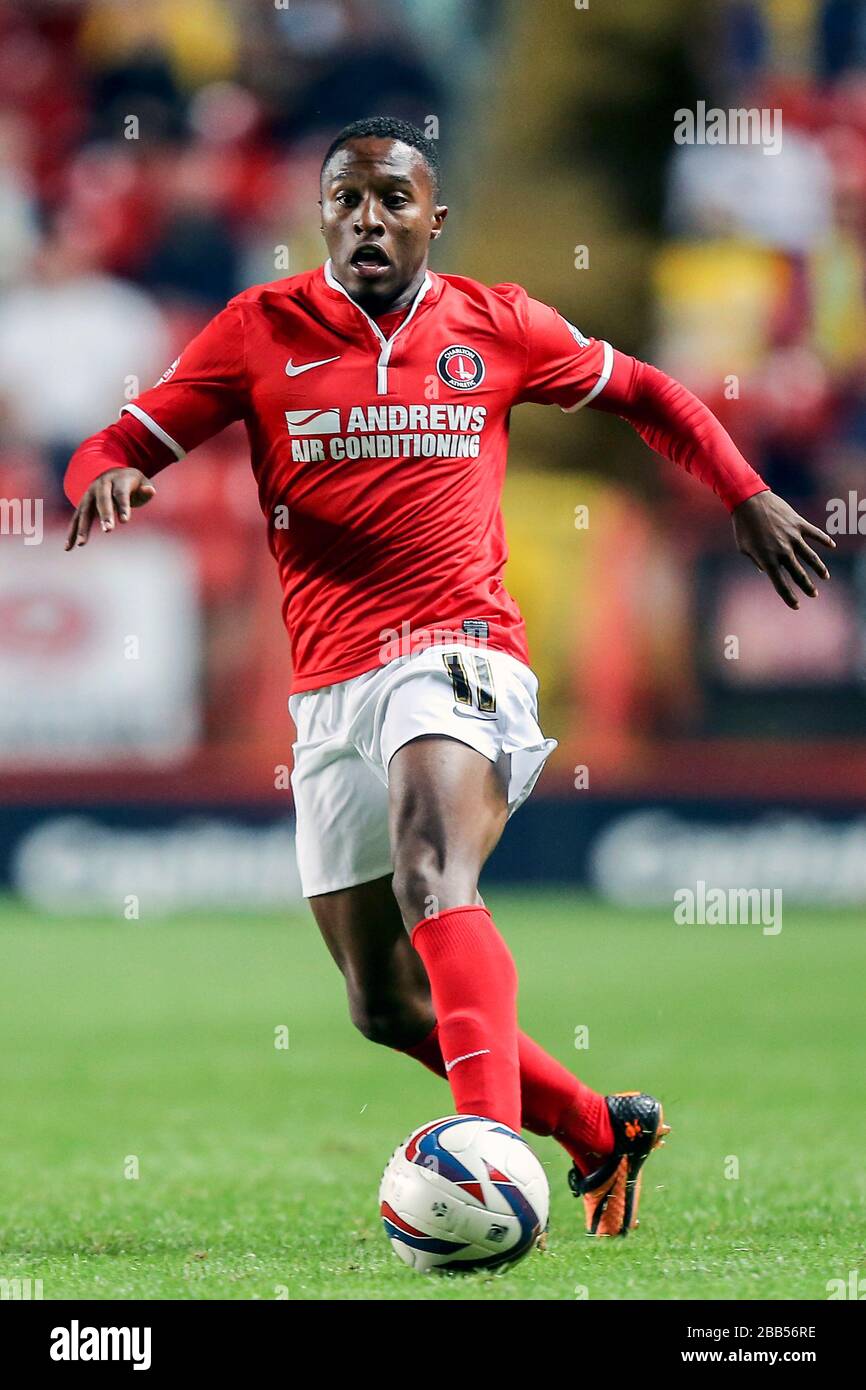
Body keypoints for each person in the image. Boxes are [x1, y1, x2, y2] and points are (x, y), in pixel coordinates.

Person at [64, 117, 834, 1237]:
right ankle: (593, 1127)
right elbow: (118, 442)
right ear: (319, 214)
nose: (365, 220)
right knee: (381, 1004)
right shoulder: (258, 330)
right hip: (329, 684)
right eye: (344, 200)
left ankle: (487, 1158)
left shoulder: (497, 321)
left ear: (433, 217)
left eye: (389, 200)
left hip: (458, 648)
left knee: (434, 869)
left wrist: (744, 491)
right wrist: (106, 479)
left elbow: (647, 393)